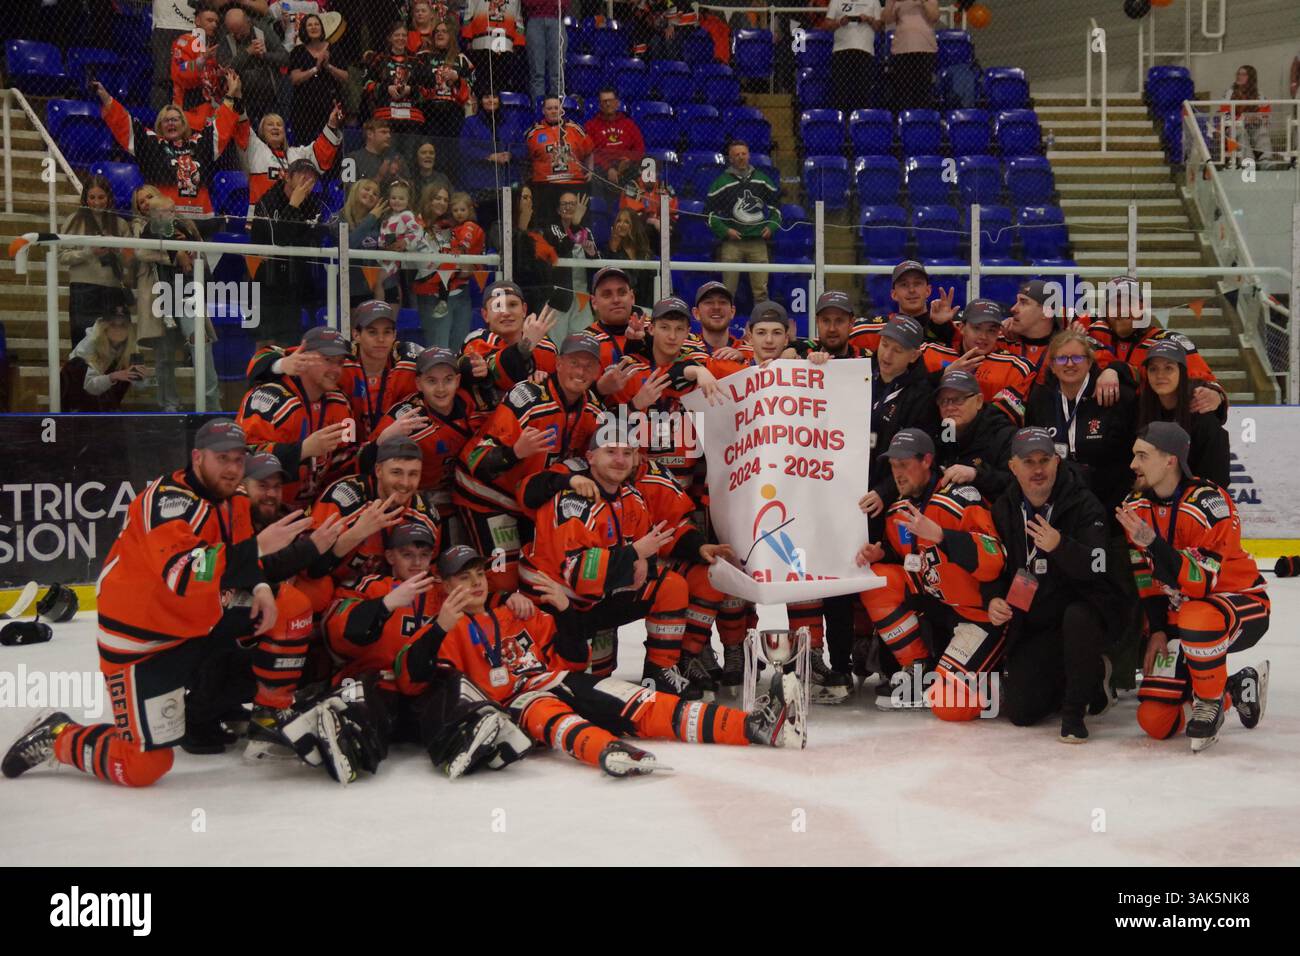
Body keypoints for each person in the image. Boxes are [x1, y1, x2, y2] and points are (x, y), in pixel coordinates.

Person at [1, 420, 375, 787]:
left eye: (238, 459)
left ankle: (269, 718)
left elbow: (241, 565)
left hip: (200, 623)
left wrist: (261, 586)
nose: (232, 468)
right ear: (197, 458)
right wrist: (260, 548)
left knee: (290, 604)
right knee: (144, 766)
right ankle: (60, 736)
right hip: (143, 643)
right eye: (222, 458)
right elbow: (183, 573)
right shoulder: (168, 502)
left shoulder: (235, 500)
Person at [396, 544, 805, 777]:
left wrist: (562, 612)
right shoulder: (440, 631)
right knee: (549, 715)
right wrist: (438, 630)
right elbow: (416, 685)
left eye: (478, 576)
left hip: (554, 679)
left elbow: (574, 659)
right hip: (512, 705)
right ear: (443, 584)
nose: (473, 585)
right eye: (462, 579)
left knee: (641, 702)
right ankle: (607, 751)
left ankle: (753, 726)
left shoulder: (514, 612)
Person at [323, 528, 533, 778]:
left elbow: (480, 598)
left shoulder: (442, 589)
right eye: (407, 554)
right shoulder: (371, 586)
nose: (417, 562)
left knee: (451, 682)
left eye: (423, 555)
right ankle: (348, 742)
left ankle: (466, 742)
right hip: (381, 685)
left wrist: (509, 598)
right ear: (390, 557)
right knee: (363, 691)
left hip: (422, 694)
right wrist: (386, 604)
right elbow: (336, 631)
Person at [1115, 422, 1270, 752]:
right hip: (1179, 613)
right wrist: (1157, 629)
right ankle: (1236, 687)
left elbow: (1201, 585)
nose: (1133, 464)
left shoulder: (1210, 504)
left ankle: (1211, 701)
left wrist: (1154, 543)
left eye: (1142, 456)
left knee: (1198, 615)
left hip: (1239, 602)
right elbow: (1145, 576)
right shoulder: (1135, 505)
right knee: (1154, 722)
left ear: (1170, 460)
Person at [854, 427, 1007, 718]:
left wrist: (941, 535)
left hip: (977, 615)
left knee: (949, 706)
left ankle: (992, 680)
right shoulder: (899, 508)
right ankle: (918, 667)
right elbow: (909, 556)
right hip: (937, 606)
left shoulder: (961, 498)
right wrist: (881, 554)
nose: (897, 473)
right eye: (893, 466)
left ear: (926, 461)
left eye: (904, 465)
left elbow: (994, 559)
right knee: (877, 578)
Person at [988, 427, 1129, 741]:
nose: (1038, 469)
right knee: (1022, 713)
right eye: (1029, 462)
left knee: (1078, 617)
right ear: (1013, 467)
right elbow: (995, 565)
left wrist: (1059, 545)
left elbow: (1099, 565)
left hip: (1085, 608)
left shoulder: (1084, 503)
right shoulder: (1003, 508)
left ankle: (1074, 713)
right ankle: (1089, 677)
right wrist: (994, 598)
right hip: (1037, 617)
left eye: (1045, 460)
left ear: (1057, 462)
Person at [454, 333, 606, 589]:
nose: (581, 371)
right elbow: (475, 461)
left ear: (598, 371)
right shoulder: (526, 398)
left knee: (545, 571)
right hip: (488, 496)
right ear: (558, 363)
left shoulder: (593, 409)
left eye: (589, 365)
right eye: (574, 363)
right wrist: (514, 453)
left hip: (532, 500)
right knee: (503, 579)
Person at [237, 325, 358, 508]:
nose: (336, 370)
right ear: (305, 357)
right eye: (328, 360)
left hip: (308, 514)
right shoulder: (270, 398)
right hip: (260, 511)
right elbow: (244, 457)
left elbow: (345, 461)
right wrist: (302, 450)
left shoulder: (341, 404)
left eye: (340, 362)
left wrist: (378, 447)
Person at [1021, 330, 1138, 515]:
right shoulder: (1040, 398)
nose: (1069, 364)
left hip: (1110, 500)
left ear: (1090, 362)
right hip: (1059, 498)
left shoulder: (1114, 395)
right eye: (1061, 359)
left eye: (1077, 358)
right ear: (1051, 365)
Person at [93, 75, 242, 219]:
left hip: (201, 219)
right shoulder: (151, 144)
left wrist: (230, 95)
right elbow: (125, 124)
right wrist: (106, 98)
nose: (171, 123)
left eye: (175, 120)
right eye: (166, 120)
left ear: (184, 124)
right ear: (159, 125)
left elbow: (220, 127)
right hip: (164, 219)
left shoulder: (200, 143)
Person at [367, 346, 481, 530]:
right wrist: (383, 439)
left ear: (458, 380)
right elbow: (363, 463)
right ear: (418, 383)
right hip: (415, 501)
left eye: (448, 380)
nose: (441, 388)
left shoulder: (472, 403)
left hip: (463, 496)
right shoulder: (405, 417)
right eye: (431, 381)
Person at [128, 193, 219, 412]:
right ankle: (169, 403)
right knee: (164, 354)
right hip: (159, 294)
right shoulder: (145, 228)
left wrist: (189, 255)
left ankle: (210, 402)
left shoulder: (183, 224)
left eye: (169, 210)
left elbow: (198, 250)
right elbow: (141, 252)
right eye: (143, 202)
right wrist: (174, 253)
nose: (165, 215)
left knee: (201, 344)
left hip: (187, 291)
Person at [857, 316, 942, 520]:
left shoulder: (922, 398)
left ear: (913, 356)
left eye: (898, 350)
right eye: (885, 345)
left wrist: (885, 492)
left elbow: (920, 456)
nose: (887, 355)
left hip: (882, 500)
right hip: (844, 483)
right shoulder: (857, 373)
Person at [251, 158, 327, 347]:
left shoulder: (314, 206)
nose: (307, 181)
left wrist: (290, 238)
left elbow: (312, 242)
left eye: (312, 178)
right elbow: (278, 241)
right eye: (302, 175)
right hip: (267, 276)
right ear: (288, 177)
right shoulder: (267, 201)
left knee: (289, 339)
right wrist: (293, 206)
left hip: (296, 278)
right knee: (265, 338)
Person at [1137, 340, 1231, 490]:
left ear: (1182, 372)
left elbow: (1216, 480)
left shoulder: (1201, 415)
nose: (1160, 375)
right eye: (1153, 369)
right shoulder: (1141, 409)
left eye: (1168, 368)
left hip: (1196, 503)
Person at [916, 299, 1034, 408]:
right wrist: (944, 374)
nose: (983, 336)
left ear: (999, 332)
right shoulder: (930, 352)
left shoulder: (1015, 368)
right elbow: (909, 396)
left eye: (991, 330)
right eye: (977, 328)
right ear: (961, 327)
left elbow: (1006, 417)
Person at [706, 140, 781, 304]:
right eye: (736, 155)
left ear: (749, 156)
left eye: (743, 154)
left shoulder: (762, 180)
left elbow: (777, 208)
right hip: (732, 243)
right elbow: (708, 214)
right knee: (728, 291)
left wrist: (772, 226)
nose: (740, 157)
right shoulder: (722, 183)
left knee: (761, 291)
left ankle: (761, 325)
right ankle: (725, 325)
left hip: (758, 242)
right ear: (730, 159)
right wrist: (726, 231)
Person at [929, 367, 1016, 508]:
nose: (949, 407)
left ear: (979, 401)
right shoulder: (943, 433)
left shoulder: (1004, 435)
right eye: (943, 401)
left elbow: (1019, 484)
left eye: (957, 400)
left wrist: (976, 474)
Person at [60, 175, 131, 346]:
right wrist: (89, 252)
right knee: (83, 341)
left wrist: (117, 251)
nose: (97, 202)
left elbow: (130, 260)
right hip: (83, 290)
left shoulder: (120, 224)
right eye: (92, 197)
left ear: (109, 198)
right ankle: (82, 373)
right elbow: (62, 256)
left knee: (114, 343)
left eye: (101, 197)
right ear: (85, 198)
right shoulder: (74, 221)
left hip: (112, 289)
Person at [336, 300, 420, 441]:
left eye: (387, 332)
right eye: (372, 332)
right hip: (346, 448)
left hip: (393, 450)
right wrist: (283, 364)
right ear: (356, 334)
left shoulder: (408, 359)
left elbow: (449, 366)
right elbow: (300, 359)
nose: (381, 339)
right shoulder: (339, 360)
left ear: (394, 335)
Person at [243, 105, 344, 214]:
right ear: (262, 131)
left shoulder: (296, 153)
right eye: (270, 124)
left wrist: (332, 125)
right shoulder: (256, 149)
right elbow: (242, 126)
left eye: (279, 125)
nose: (275, 127)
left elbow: (319, 153)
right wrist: (234, 97)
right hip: (261, 217)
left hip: (292, 216)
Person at [363, 21, 432, 162]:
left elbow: (429, 88)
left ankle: (407, 183)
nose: (401, 38)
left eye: (404, 35)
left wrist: (410, 90)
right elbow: (366, 84)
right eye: (397, 35)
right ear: (390, 38)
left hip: (411, 119)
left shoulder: (416, 61)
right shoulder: (379, 59)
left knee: (409, 158)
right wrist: (385, 89)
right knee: (388, 158)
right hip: (386, 117)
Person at [852, 259, 960, 349]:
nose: (912, 290)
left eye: (917, 283)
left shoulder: (951, 326)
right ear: (894, 294)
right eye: (904, 285)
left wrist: (942, 326)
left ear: (928, 291)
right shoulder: (875, 330)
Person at [60, 306, 147, 413]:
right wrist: (113, 376)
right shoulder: (91, 343)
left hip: (101, 389)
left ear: (128, 329)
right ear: (105, 327)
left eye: (122, 326)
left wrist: (142, 378)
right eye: (113, 325)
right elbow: (90, 386)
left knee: (126, 369)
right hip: (78, 393)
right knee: (77, 364)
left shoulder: (130, 347)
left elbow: (140, 387)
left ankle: (111, 408)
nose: (118, 330)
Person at [487, 185, 558, 315]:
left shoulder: (538, 231)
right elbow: (512, 254)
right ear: (514, 200)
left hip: (537, 295)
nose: (529, 201)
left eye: (531, 198)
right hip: (511, 292)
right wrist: (522, 227)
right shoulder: (498, 227)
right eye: (525, 197)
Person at [525, 96, 594, 224]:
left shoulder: (575, 128)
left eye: (556, 108)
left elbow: (590, 151)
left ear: (562, 110)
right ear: (543, 111)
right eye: (549, 108)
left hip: (574, 184)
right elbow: (525, 158)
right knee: (546, 224)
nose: (553, 111)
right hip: (545, 186)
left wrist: (590, 169)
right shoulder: (533, 133)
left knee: (576, 223)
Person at [218, 5, 290, 126]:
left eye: (240, 30)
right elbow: (225, 67)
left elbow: (285, 58)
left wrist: (264, 55)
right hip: (242, 98)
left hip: (270, 97)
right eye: (233, 32)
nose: (237, 35)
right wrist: (248, 52)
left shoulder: (262, 29)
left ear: (248, 21)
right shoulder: (225, 36)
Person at [288, 12, 350, 143]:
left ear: (322, 28)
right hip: (304, 108)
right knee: (304, 144)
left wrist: (328, 66)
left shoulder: (334, 49)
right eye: (309, 25)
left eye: (316, 24)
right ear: (304, 29)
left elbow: (345, 77)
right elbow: (295, 79)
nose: (313, 27)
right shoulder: (298, 51)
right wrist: (315, 69)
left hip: (330, 104)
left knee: (332, 143)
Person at [545, 192, 599, 341]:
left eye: (573, 204)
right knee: (557, 345)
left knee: (585, 342)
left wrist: (591, 255)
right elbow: (561, 250)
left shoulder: (586, 232)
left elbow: (598, 268)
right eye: (564, 204)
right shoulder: (553, 230)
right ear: (558, 210)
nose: (568, 207)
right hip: (559, 299)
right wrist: (575, 225)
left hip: (582, 298)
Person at [584, 88, 647, 204]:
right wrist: (609, 168)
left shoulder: (628, 124)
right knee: (594, 172)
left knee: (640, 168)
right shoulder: (591, 126)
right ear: (599, 105)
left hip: (627, 168)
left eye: (610, 100)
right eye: (604, 101)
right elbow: (590, 152)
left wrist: (629, 160)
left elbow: (640, 149)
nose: (608, 104)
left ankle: (632, 207)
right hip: (602, 170)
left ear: (617, 103)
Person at [821, 0, 882, 118]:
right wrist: (840, 22)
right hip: (841, 52)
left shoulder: (874, 1)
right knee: (840, 92)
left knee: (863, 92)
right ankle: (841, 126)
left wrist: (869, 20)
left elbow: (879, 27)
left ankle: (861, 125)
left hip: (865, 52)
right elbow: (827, 25)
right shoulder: (836, 1)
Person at [170, 4, 226, 128]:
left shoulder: (211, 46)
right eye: (209, 21)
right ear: (197, 21)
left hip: (211, 111)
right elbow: (181, 71)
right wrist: (202, 59)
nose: (214, 25)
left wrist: (220, 75)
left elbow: (212, 83)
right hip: (189, 110)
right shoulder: (184, 41)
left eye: (216, 22)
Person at [883, 0, 939, 111]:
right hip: (902, 50)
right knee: (903, 92)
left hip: (925, 49)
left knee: (923, 92)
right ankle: (905, 123)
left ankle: (922, 123)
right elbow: (887, 19)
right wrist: (891, 3)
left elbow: (934, 17)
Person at [461, 0, 525, 95]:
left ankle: (500, 106)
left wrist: (518, 43)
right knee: (481, 84)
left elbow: (518, 20)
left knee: (502, 84)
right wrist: (467, 39)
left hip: (506, 44)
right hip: (481, 44)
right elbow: (468, 15)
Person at [1220, 64, 1271, 165]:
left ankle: (1266, 160)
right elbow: (1225, 114)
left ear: (1251, 77)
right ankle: (1248, 162)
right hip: (1234, 127)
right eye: (1238, 74)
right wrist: (1241, 120)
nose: (1239, 76)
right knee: (1240, 131)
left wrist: (1258, 119)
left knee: (1262, 130)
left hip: (1253, 126)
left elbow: (1266, 115)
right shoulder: (1229, 94)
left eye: (1243, 74)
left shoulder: (1260, 95)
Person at [603, 209, 655, 307]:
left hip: (644, 308)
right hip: (617, 305)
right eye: (619, 221)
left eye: (626, 222)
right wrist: (613, 250)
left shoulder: (645, 253)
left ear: (634, 226)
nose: (621, 225)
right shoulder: (607, 250)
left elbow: (650, 286)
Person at [523, 0, 568, 99]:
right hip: (535, 20)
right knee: (537, 73)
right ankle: (539, 108)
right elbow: (528, 3)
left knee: (557, 73)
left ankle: (557, 108)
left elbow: (564, 4)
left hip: (557, 20)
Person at [345, 118, 405, 187]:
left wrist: (397, 177)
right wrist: (380, 176)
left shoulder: (396, 158)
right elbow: (349, 190)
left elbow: (410, 187)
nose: (389, 136)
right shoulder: (352, 158)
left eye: (389, 132)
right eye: (383, 132)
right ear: (370, 134)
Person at [410, 140, 454, 206]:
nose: (428, 156)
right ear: (416, 157)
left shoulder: (443, 179)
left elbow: (452, 200)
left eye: (431, 153)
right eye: (423, 153)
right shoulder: (411, 180)